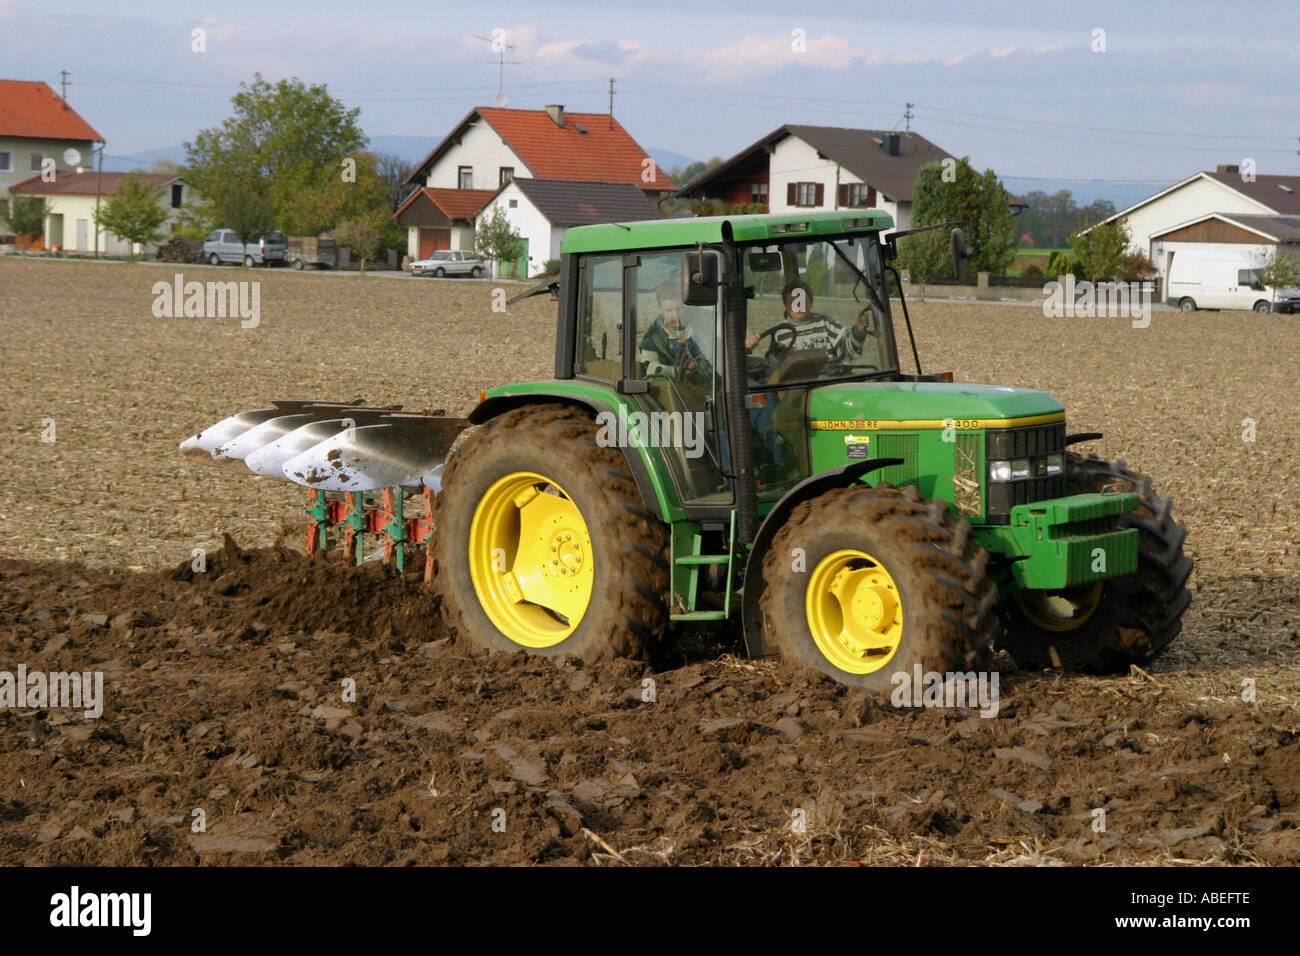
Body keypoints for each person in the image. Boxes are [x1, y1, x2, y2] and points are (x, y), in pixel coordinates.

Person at [745, 279, 870, 362]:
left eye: (803, 302)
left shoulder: (825, 323)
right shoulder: (779, 331)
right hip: (795, 387)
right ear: (786, 305)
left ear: (811, 302)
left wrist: (859, 330)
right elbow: (773, 365)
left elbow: (849, 351)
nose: (799, 307)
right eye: (794, 303)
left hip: (827, 381)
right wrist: (748, 345)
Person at [639, 281, 712, 379]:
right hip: (673, 391)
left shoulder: (706, 325)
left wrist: (698, 363)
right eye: (669, 310)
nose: (676, 315)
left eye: (679, 309)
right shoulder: (653, 338)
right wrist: (678, 371)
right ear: (661, 309)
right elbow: (649, 368)